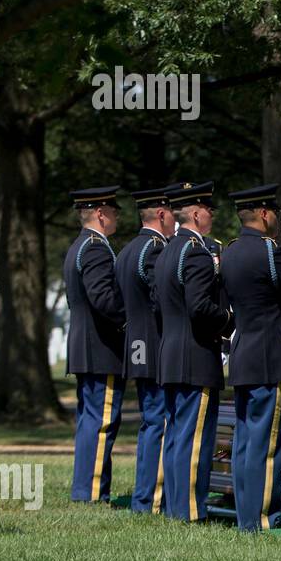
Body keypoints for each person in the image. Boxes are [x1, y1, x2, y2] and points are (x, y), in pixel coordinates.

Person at [219, 184, 281, 532]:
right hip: (272, 356)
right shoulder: (273, 253)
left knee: (246, 440)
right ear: (264, 214)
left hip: (244, 352)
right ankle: (263, 518)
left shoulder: (228, 253)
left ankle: (246, 515)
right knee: (270, 443)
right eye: (274, 212)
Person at [151, 181, 232, 523]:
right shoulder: (196, 251)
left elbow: (158, 303)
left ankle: (174, 507)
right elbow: (200, 307)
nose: (212, 216)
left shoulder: (168, 249)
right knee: (194, 439)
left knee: (176, 438)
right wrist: (230, 319)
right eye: (210, 211)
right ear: (197, 213)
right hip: (195, 355)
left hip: (171, 354)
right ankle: (190, 511)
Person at [63, 186, 127, 504]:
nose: (117, 216)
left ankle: (85, 490)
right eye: (113, 211)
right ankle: (90, 494)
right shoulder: (96, 248)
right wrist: (129, 322)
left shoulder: (79, 246)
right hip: (102, 348)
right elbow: (103, 298)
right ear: (100, 214)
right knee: (101, 422)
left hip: (86, 347)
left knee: (90, 421)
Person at [114, 185, 175, 514]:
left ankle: (144, 495)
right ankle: (150, 498)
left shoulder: (128, 248)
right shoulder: (154, 249)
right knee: (159, 423)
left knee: (150, 421)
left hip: (137, 343)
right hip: (154, 344)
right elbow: (159, 298)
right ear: (162, 214)